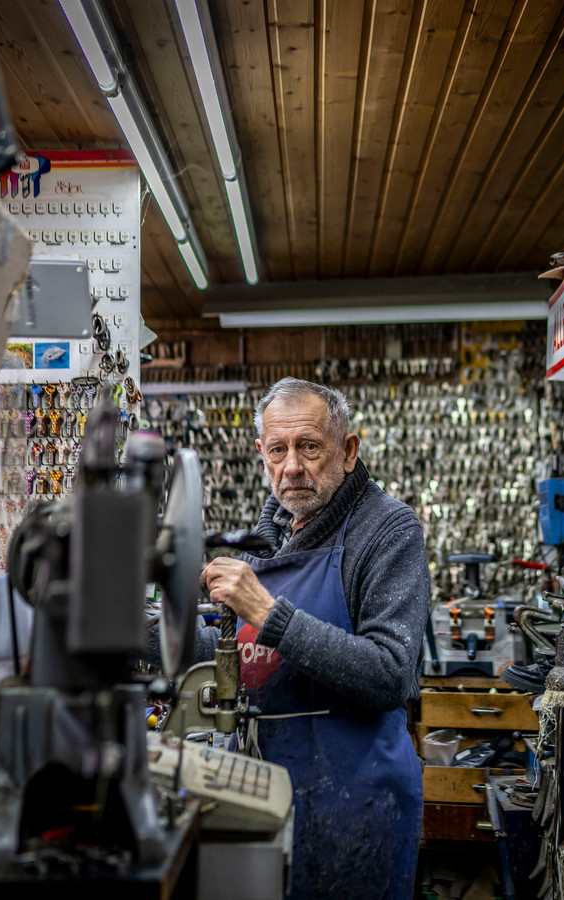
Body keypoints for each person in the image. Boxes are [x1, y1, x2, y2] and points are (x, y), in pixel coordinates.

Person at [200, 377, 428, 900]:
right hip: (270, 798)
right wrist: (146, 633)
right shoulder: (270, 536)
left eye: (309, 447)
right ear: (261, 453)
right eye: (278, 450)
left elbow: (392, 673)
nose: (292, 467)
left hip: (356, 807)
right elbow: (233, 652)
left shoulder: (388, 531)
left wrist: (263, 609)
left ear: (347, 451)